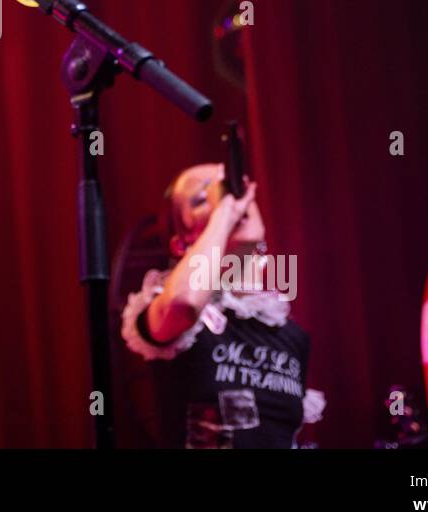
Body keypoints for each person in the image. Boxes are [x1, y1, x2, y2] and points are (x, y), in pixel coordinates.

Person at [121, 163, 325, 447]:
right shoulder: (174, 311)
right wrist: (225, 214)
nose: (228, 198)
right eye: (204, 198)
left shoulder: (292, 337)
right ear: (182, 244)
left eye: (229, 187)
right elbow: (183, 303)